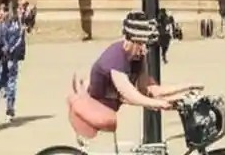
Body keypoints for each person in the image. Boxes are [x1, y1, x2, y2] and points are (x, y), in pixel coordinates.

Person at [66, 11, 201, 141]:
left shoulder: (137, 58)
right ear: (131, 40)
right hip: (92, 115)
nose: (145, 50)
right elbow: (130, 95)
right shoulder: (115, 57)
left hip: (110, 110)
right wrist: (160, 104)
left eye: (147, 45)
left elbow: (149, 89)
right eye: (142, 44)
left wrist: (185, 88)